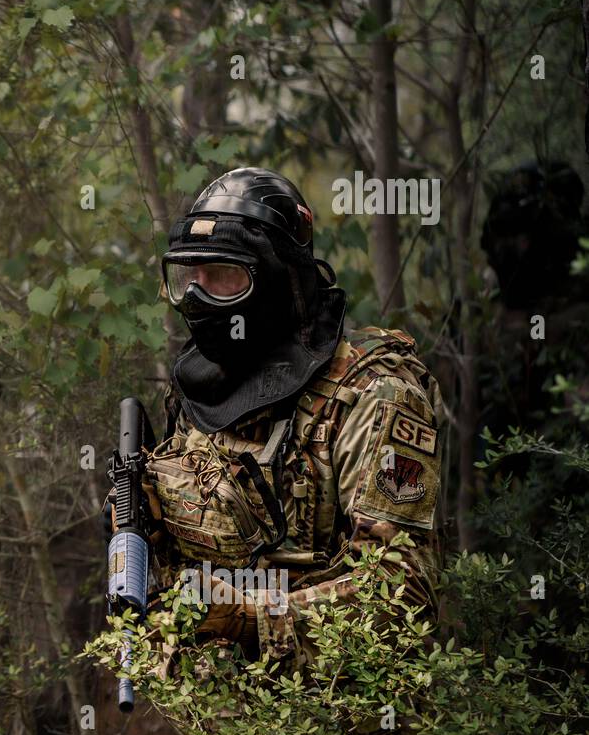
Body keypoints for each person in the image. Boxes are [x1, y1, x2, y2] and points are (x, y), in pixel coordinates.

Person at [113, 167, 443, 668]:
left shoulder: (375, 393)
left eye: (222, 276)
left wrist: (252, 619)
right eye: (188, 278)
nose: (198, 299)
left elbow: (404, 592)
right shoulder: (204, 385)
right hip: (224, 720)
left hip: (344, 719)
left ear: (273, 277)